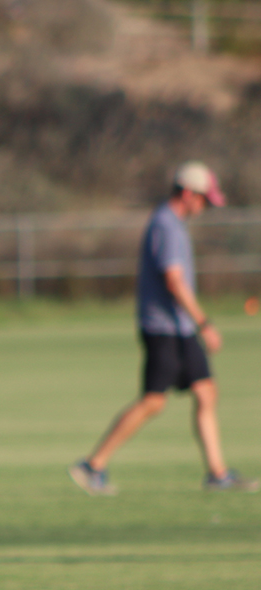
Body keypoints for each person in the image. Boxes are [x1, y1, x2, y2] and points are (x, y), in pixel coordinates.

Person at [70, 161, 256, 495]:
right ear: (187, 193)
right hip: (164, 328)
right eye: (203, 199)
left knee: (205, 392)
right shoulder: (167, 226)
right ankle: (92, 465)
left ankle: (217, 473)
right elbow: (174, 280)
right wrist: (205, 322)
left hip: (180, 328)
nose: (205, 206)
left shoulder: (173, 224)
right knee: (154, 402)